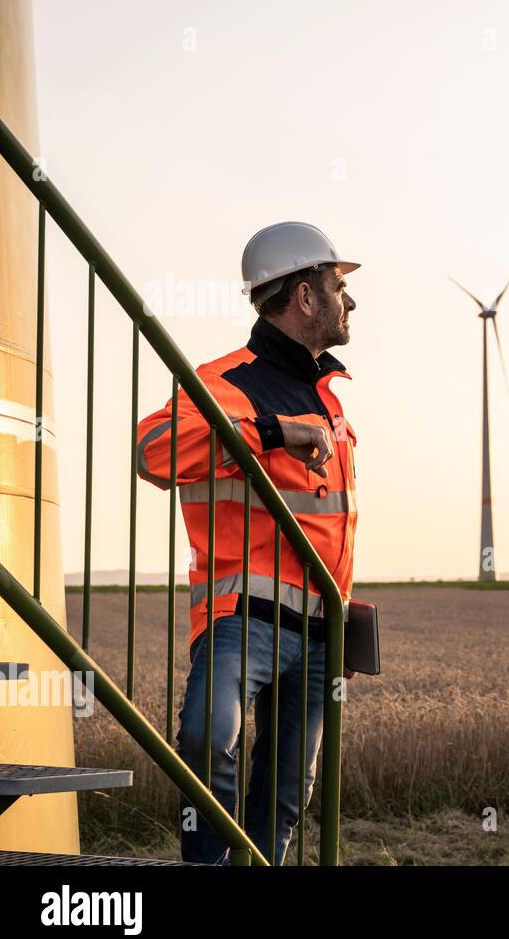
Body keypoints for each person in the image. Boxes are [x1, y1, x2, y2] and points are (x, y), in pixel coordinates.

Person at [136, 222, 361, 864]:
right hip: (244, 618)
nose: (350, 301)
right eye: (338, 285)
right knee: (208, 737)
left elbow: (330, 524)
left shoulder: (332, 400)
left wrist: (347, 618)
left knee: (288, 795)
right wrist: (268, 432)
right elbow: (152, 452)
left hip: (320, 632)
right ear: (305, 297)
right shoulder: (224, 382)